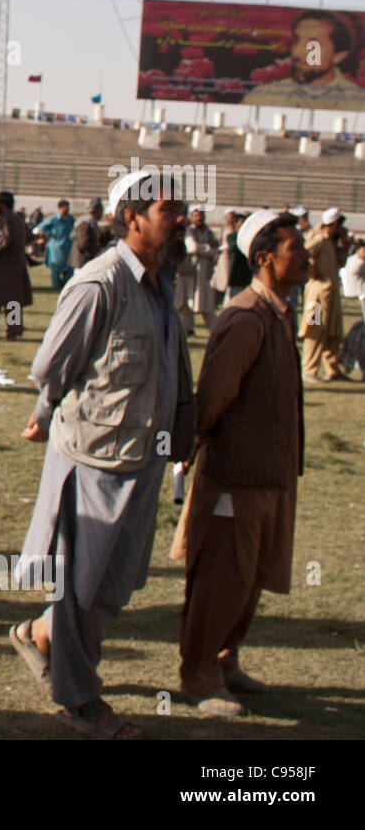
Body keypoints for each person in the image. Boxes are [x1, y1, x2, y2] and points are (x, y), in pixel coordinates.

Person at [8, 169, 193, 739]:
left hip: (143, 461)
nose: (182, 218)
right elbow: (50, 366)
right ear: (132, 216)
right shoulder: (99, 283)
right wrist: (46, 412)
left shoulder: (161, 285)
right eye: (170, 209)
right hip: (94, 461)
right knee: (82, 588)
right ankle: (79, 700)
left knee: (114, 587)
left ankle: (39, 635)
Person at [171, 210, 309, 716]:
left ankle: (225, 660)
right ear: (265, 258)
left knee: (250, 579)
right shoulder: (246, 317)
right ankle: (198, 675)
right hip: (234, 477)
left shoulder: (277, 314)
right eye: (296, 248)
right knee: (222, 578)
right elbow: (211, 403)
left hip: (268, 478)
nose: (307, 255)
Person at [241, 11, 365, 111]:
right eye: (296, 41)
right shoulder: (260, 99)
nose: (297, 52)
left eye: (313, 45)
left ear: (339, 55)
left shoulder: (359, 104)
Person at [299, 207, 351, 382]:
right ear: (333, 224)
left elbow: (340, 263)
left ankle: (332, 369)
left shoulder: (330, 242)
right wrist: (313, 272)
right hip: (317, 294)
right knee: (315, 330)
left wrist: (344, 245)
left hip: (331, 294)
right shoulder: (319, 239)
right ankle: (309, 370)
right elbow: (304, 253)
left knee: (333, 332)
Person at [0, 190, 32, 339]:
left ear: (1, 204)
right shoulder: (18, 219)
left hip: (3, 268)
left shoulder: (5, 219)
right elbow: (29, 237)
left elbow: (4, 241)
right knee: (12, 302)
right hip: (16, 267)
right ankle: (12, 329)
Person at [176, 205, 220, 336]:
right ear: (191, 217)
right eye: (196, 215)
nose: (199, 217)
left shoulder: (208, 232)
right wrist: (208, 247)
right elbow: (192, 247)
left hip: (204, 275)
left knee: (208, 306)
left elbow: (215, 249)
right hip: (189, 274)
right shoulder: (188, 230)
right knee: (186, 305)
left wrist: (206, 249)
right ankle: (186, 332)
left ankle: (217, 333)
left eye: (201, 215)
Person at [34, 199, 75, 290]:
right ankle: (56, 288)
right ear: (60, 208)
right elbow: (40, 228)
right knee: (56, 269)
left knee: (69, 269)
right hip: (56, 249)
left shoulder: (70, 219)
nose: (67, 210)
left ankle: (67, 287)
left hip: (68, 247)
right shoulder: (53, 220)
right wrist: (50, 234)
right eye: (65, 208)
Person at [69, 198, 111, 271]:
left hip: (85, 262)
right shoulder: (86, 222)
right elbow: (83, 243)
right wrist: (98, 250)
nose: (101, 213)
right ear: (97, 211)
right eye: (101, 211)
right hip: (82, 262)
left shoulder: (91, 221)